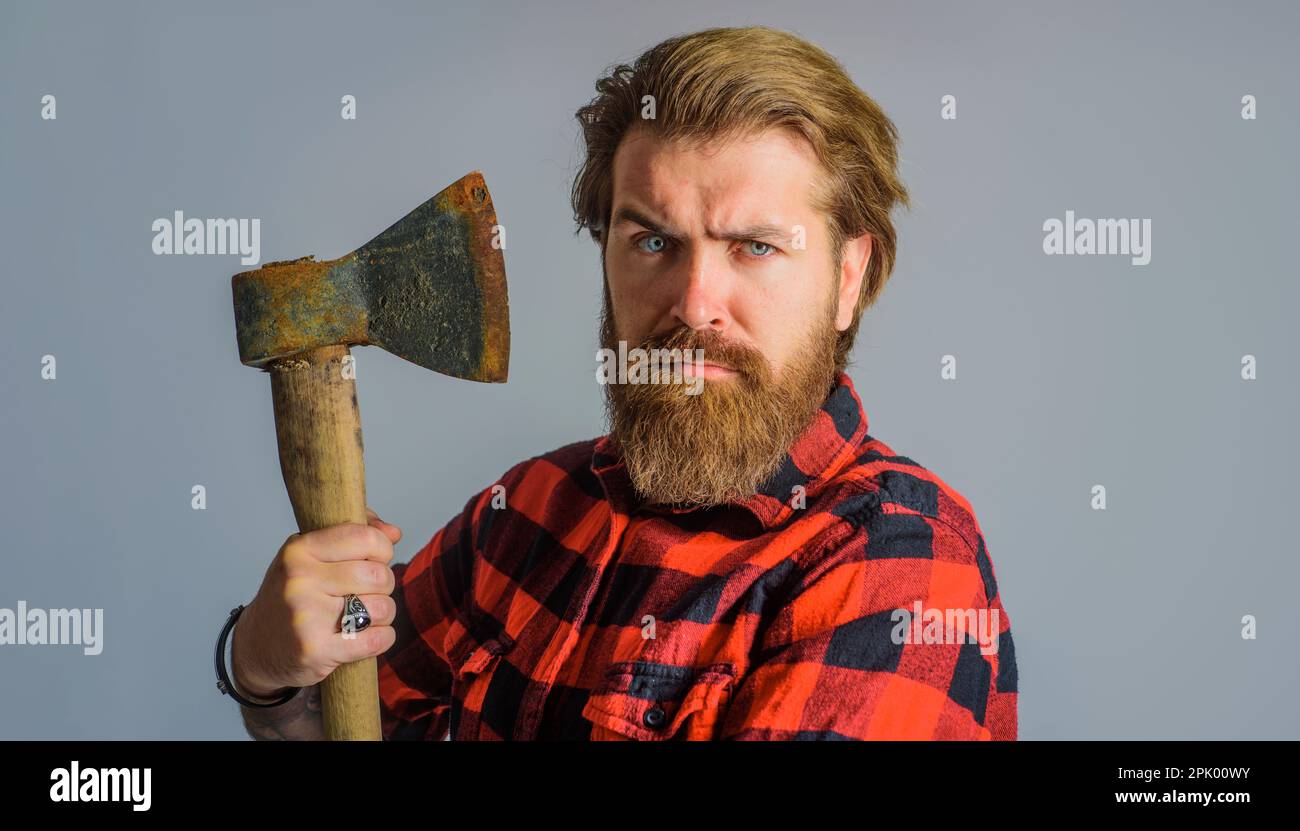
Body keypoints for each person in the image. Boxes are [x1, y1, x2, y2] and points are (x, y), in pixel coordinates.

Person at [226, 24, 1018, 741]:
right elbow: (336, 723)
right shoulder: (526, 511)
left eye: (755, 247)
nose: (694, 302)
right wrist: (264, 667)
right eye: (652, 240)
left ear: (849, 276)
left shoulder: (900, 563)